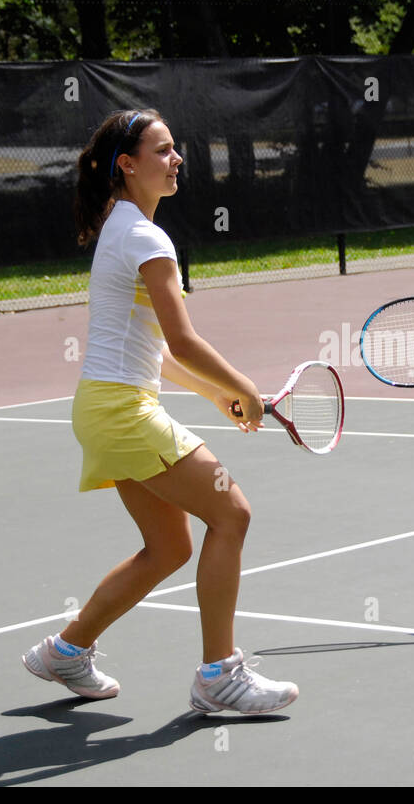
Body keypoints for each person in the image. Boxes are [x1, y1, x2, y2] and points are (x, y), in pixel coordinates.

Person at [21, 108, 299, 713]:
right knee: (232, 515)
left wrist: (213, 395)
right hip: (121, 411)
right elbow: (182, 339)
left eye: (176, 150)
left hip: (105, 405)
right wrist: (247, 389)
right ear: (128, 164)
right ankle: (218, 676)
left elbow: (150, 349)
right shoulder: (145, 237)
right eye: (163, 151)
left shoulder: (120, 227)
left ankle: (65, 652)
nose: (177, 160)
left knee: (169, 547)